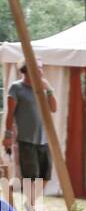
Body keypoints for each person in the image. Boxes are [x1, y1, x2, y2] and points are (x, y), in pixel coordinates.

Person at [2, 59, 56, 189]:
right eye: (38, 67)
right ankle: (32, 206)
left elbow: (53, 108)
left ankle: (30, 204)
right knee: (31, 177)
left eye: (41, 67)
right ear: (26, 69)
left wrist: (48, 89)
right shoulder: (16, 88)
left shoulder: (42, 89)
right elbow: (10, 114)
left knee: (46, 176)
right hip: (26, 140)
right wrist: (7, 135)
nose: (41, 71)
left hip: (44, 140)